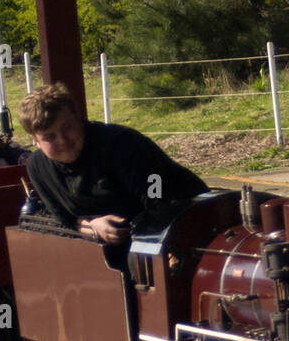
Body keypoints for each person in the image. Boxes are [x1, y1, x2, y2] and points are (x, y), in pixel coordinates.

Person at [17, 82, 207, 244]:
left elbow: (159, 196)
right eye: (50, 136)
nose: (62, 140)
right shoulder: (38, 169)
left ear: (79, 118)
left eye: (67, 127)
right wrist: (92, 226)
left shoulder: (122, 144)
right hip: (113, 243)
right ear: (36, 140)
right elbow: (65, 220)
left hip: (183, 221)